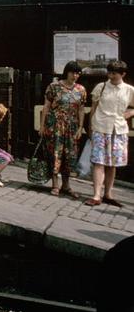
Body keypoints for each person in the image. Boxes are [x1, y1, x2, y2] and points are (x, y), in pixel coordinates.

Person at [85, 60, 134, 207]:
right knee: (99, 161)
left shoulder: (129, 90)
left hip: (118, 129)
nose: (110, 76)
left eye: (114, 73)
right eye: (109, 72)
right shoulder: (101, 87)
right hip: (101, 126)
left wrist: (130, 113)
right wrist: (90, 128)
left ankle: (108, 193)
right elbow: (93, 108)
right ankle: (96, 195)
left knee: (112, 163)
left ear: (123, 74)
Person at [39, 61, 86, 197]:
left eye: (78, 73)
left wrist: (80, 128)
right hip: (55, 125)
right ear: (67, 72)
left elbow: (81, 109)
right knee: (56, 153)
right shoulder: (54, 86)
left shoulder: (81, 90)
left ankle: (66, 185)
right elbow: (46, 106)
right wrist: (42, 126)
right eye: (73, 72)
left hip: (72, 127)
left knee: (69, 155)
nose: (75, 75)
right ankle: (55, 184)